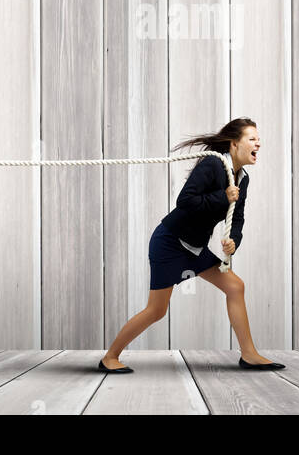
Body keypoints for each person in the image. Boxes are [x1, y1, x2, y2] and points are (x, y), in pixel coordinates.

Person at [99, 117, 284, 372]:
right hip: (170, 243)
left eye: (258, 139)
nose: (258, 144)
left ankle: (249, 354)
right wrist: (222, 196)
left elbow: (237, 218)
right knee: (156, 310)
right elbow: (185, 200)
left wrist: (234, 242)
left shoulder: (242, 179)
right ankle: (110, 357)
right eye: (252, 139)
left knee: (235, 287)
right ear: (233, 144)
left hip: (195, 249)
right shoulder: (212, 164)